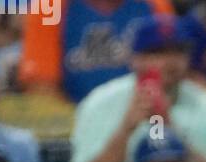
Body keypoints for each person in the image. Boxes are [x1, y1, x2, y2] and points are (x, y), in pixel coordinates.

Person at [69, 15, 206, 162]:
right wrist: (126, 129)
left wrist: (169, 129)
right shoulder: (100, 103)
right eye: (158, 52)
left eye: (178, 51)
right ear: (135, 59)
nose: (170, 62)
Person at [19, 0, 177, 104]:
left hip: (146, 113)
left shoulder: (155, 5)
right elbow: (41, 88)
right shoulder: (48, 7)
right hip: (74, 126)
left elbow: (173, 74)